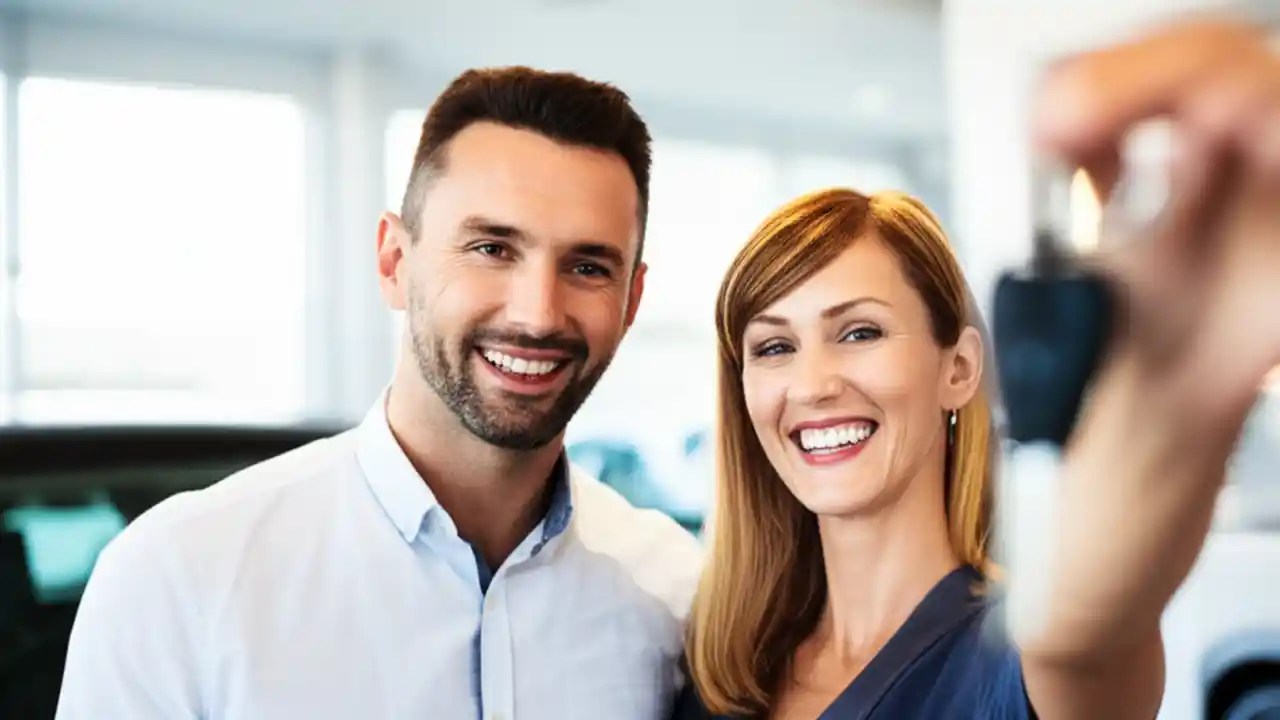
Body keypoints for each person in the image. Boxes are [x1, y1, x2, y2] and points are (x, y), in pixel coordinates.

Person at [674, 17, 1280, 720]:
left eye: (859, 331)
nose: (812, 385)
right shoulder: (714, 673)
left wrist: (1175, 395)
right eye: (774, 347)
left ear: (959, 367)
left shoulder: (1023, 664)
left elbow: (1087, 637)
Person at [56, 67, 702, 720]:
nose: (537, 314)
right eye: (490, 248)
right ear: (394, 262)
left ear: (631, 302)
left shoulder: (674, 590)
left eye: (587, 267)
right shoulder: (179, 578)